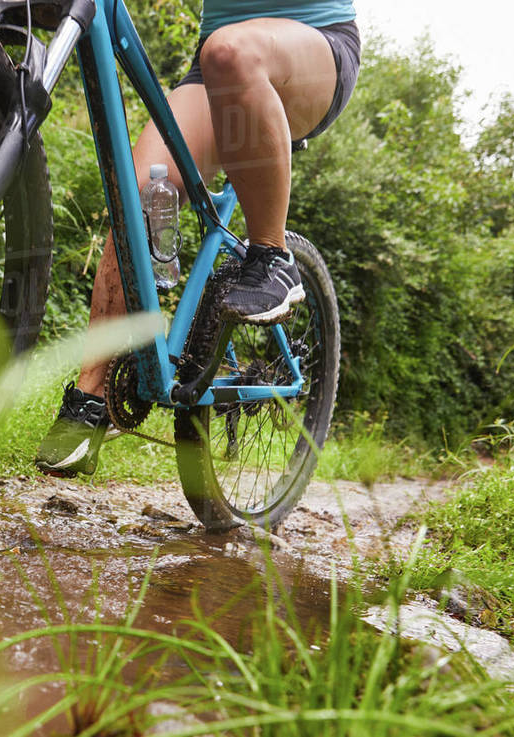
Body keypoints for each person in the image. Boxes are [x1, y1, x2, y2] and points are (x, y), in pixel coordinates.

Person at [35, 0, 361, 476]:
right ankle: (90, 401)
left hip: (315, 47)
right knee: (140, 195)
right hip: (213, 62)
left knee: (232, 53)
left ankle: (272, 256)